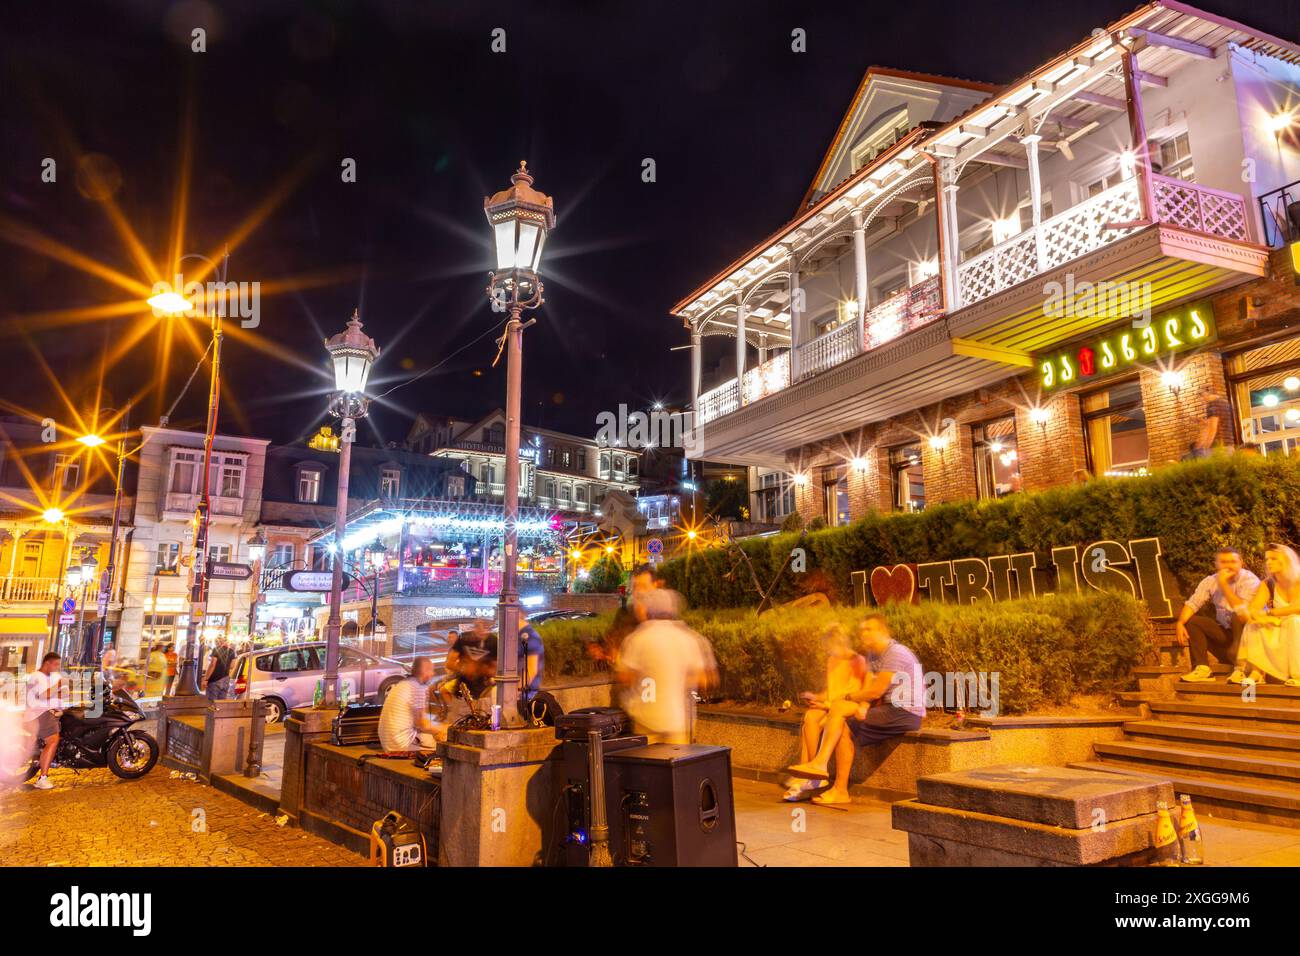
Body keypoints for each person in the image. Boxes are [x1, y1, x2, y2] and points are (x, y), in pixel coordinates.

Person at [784, 613, 926, 806]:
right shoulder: (873, 655)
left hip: (905, 711)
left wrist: (849, 699)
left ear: (882, 632)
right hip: (886, 708)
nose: (864, 634)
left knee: (840, 707)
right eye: (862, 630)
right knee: (842, 727)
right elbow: (870, 687)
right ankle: (839, 790)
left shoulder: (896, 653)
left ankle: (820, 765)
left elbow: (877, 690)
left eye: (869, 629)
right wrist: (863, 705)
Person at [782, 624, 868, 802]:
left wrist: (828, 704)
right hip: (833, 704)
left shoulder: (858, 661)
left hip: (848, 706)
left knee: (816, 717)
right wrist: (817, 697)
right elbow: (831, 690)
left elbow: (855, 693)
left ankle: (809, 776)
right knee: (810, 716)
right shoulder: (832, 660)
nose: (828, 650)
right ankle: (813, 772)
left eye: (830, 645)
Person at [616, 588, 711, 744]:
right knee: (676, 766)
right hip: (678, 722)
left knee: (650, 767)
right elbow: (703, 679)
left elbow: (624, 677)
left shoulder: (639, 638)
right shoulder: (688, 638)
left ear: (649, 611)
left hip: (646, 720)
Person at [1177, 548, 1259, 682]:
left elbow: (1242, 612)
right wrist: (1180, 622)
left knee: (1236, 616)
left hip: (1250, 637)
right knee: (1192, 621)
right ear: (1216, 564)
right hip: (1228, 636)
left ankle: (1242, 669)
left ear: (1241, 562)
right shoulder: (1210, 581)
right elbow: (1193, 603)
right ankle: (1202, 669)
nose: (1228, 565)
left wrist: (1223, 585)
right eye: (1224, 562)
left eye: (1233, 561)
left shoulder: (1249, 580)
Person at [1233, 543, 1300, 686]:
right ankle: (1257, 672)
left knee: (1294, 620)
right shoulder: (1268, 583)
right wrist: (1251, 613)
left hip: (1295, 627)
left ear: (1287, 559)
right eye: (1267, 559)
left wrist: (1271, 612)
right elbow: (1254, 609)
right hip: (1283, 629)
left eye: (1274, 558)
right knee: (1255, 623)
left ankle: (1298, 675)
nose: (1269, 562)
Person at [378, 656, 444, 751]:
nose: (433, 674)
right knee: (443, 746)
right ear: (425, 670)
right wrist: (444, 729)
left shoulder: (402, 684)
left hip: (389, 743)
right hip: (402, 744)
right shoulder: (417, 687)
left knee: (433, 734)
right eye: (431, 670)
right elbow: (422, 724)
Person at [24, 652, 65, 791]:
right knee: (53, 740)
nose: (57, 667)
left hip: (54, 712)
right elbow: (43, 696)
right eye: (56, 664)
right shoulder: (35, 677)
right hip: (40, 713)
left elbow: (64, 692)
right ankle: (43, 778)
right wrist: (57, 688)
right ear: (47, 663)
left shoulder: (55, 676)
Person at [201, 636, 234, 701]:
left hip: (214, 680)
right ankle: (219, 711)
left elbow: (213, 664)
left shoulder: (216, 649)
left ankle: (212, 711)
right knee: (221, 703)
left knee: (211, 703)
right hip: (225, 679)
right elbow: (232, 666)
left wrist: (206, 679)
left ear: (218, 642)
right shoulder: (231, 651)